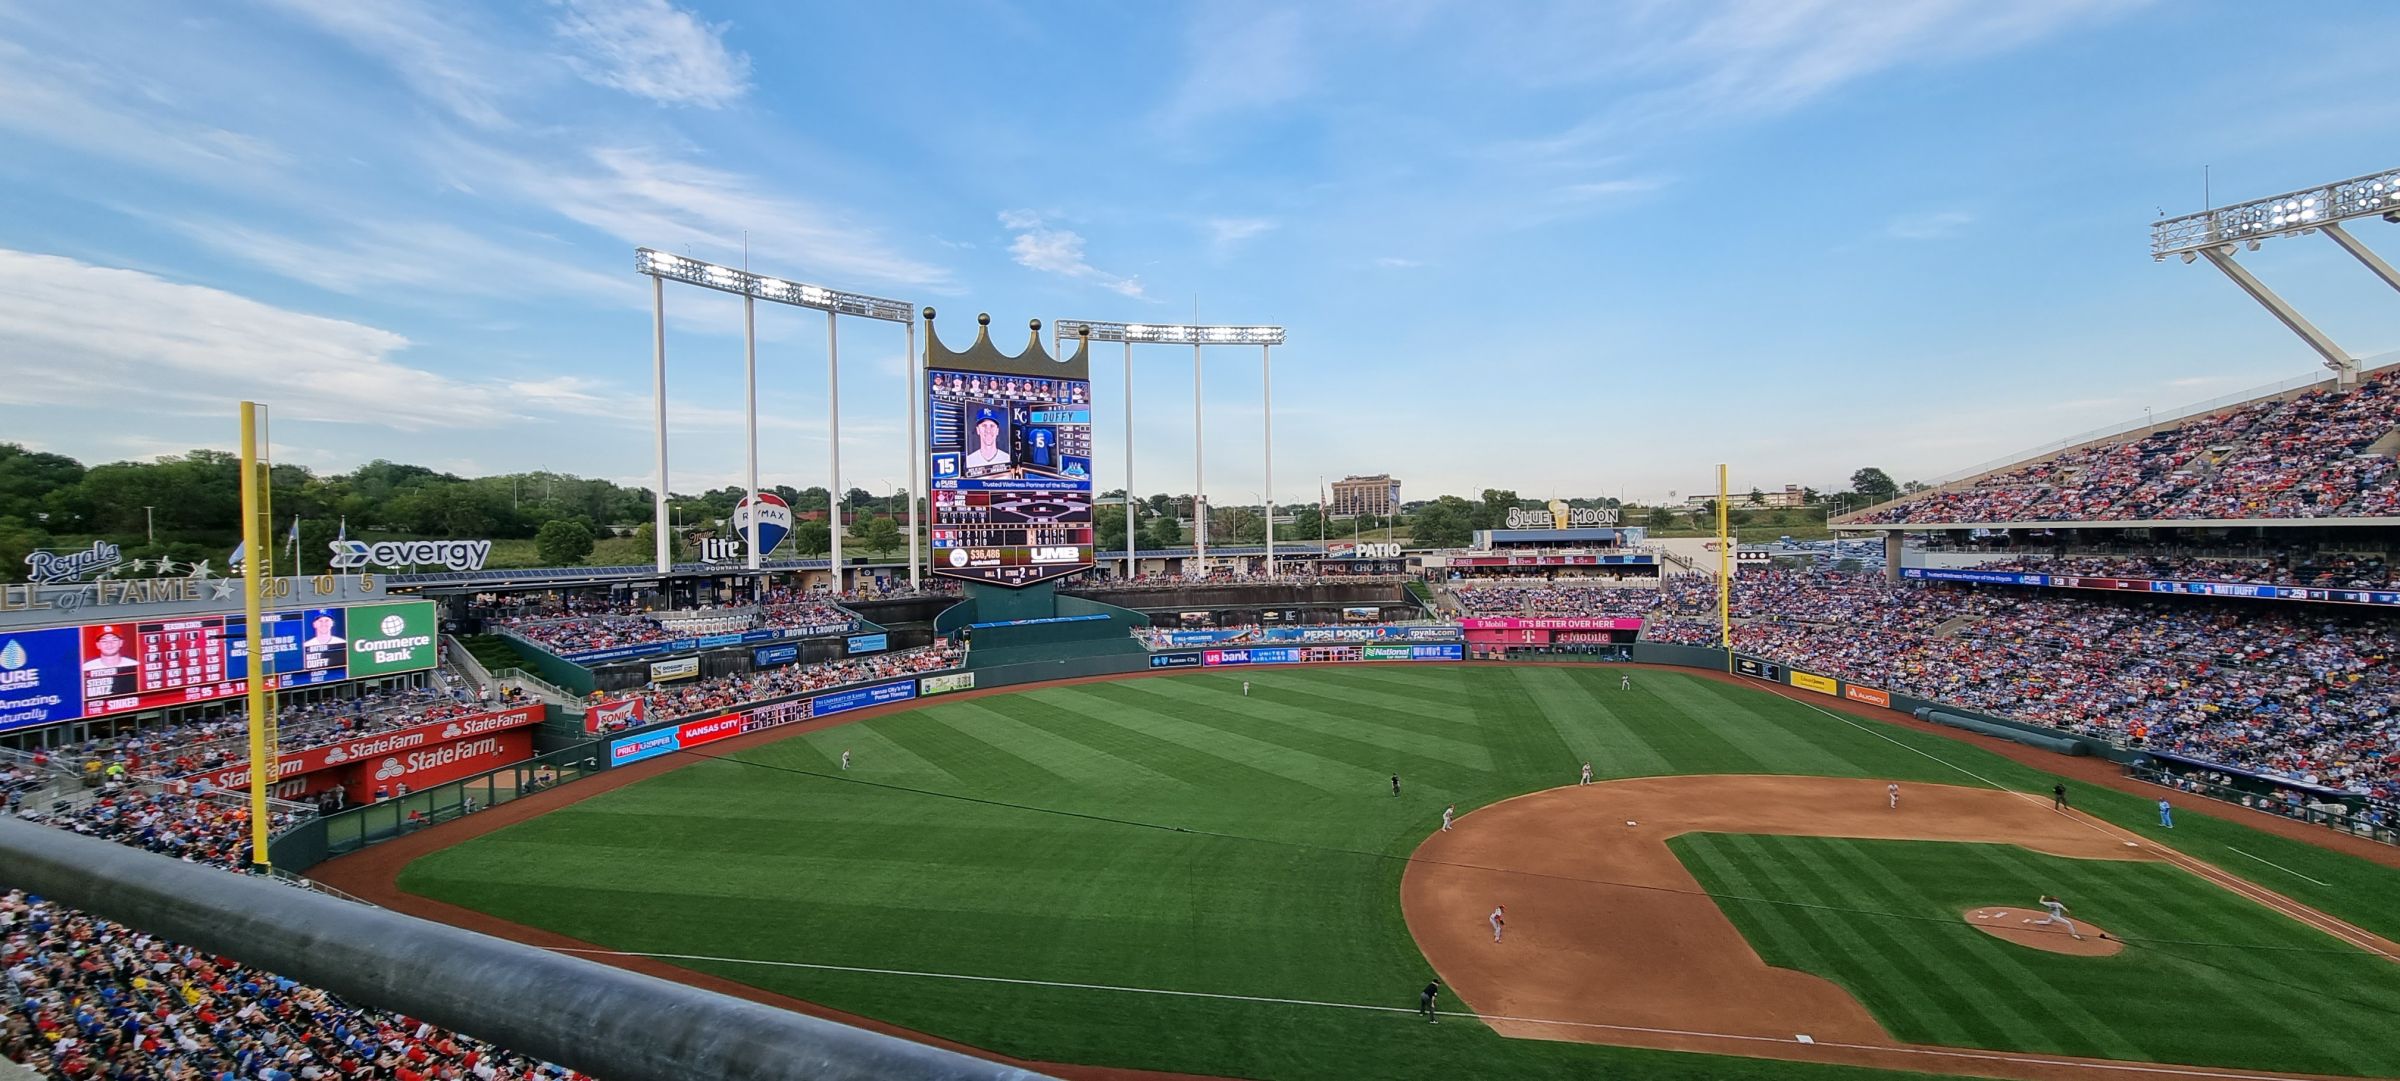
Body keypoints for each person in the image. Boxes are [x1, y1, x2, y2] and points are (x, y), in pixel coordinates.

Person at [81, 626, 140, 696]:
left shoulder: (136, 665)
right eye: (104, 641)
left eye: (114, 640)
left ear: (121, 643)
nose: (109, 644)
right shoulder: (86, 668)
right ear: (97, 645)